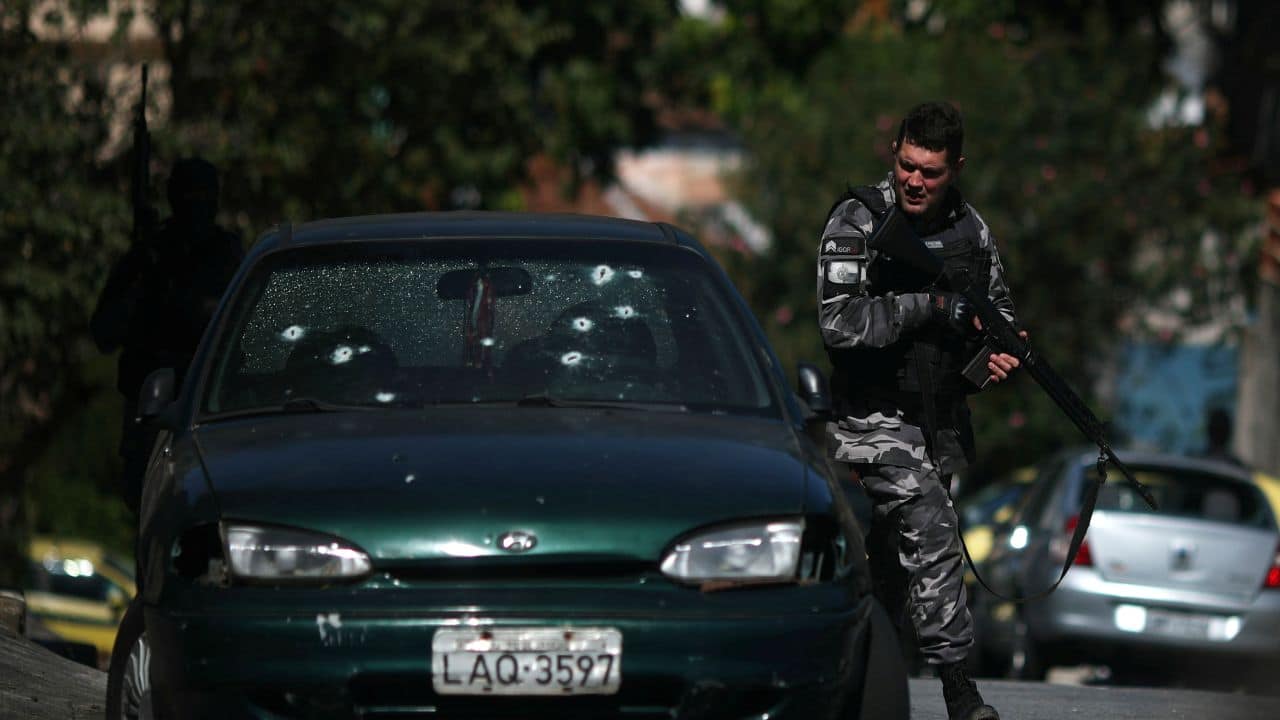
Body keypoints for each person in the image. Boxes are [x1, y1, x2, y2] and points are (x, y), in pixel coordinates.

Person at [816, 101, 1025, 720]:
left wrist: (991, 361)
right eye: (908, 165)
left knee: (890, 569)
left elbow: (1000, 317)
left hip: (940, 423)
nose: (915, 181)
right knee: (932, 530)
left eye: (931, 172)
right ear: (895, 155)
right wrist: (928, 308)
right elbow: (840, 323)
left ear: (955, 168)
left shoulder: (970, 232)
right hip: (872, 419)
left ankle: (848, 681)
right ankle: (962, 694)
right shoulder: (860, 219)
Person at [91, 157, 243, 514]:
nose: (196, 206)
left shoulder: (224, 258)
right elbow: (104, 331)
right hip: (151, 412)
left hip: (210, 411)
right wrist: (145, 272)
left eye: (203, 196)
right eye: (189, 195)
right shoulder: (151, 256)